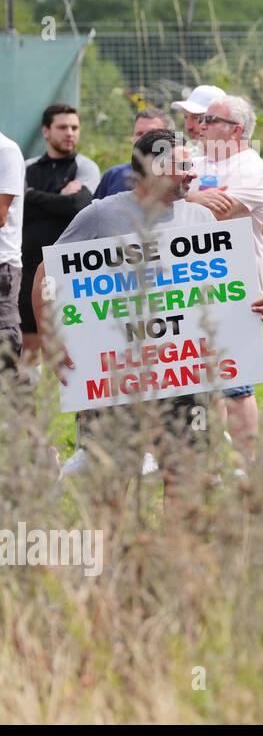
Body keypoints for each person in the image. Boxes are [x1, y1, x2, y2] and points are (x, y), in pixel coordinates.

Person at [30, 129, 217, 488]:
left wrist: (247, 310)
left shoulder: (201, 220)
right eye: (184, 166)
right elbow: (46, 273)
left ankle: (172, 546)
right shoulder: (101, 215)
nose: (193, 173)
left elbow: (220, 294)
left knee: (185, 473)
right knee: (112, 477)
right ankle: (113, 546)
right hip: (116, 374)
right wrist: (51, 339)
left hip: (183, 374)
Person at [189, 94, 263, 455]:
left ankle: (246, 464)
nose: (200, 125)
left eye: (210, 120)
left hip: (235, 293)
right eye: (202, 119)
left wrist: (186, 199)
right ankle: (209, 464)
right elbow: (156, 200)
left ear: (236, 130)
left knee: (236, 388)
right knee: (196, 383)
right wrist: (193, 199)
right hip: (188, 287)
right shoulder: (194, 159)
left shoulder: (252, 168)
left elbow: (216, 216)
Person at [20, 103, 96, 369]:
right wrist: (56, 200)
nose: (70, 133)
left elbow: (79, 206)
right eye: (63, 127)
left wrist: (31, 197)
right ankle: (26, 411)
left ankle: (84, 410)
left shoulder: (86, 167)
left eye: (74, 127)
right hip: (29, 269)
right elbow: (19, 208)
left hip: (72, 272)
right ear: (45, 131)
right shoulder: (27, 168)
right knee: (27, 352)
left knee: (78, 348)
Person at [95, 108, 175, 199]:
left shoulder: (180, 180)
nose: (143, 139)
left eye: (151, 133)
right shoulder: (113, 176)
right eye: (139, 133)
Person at [0, 127, 23, 368]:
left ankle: (17, 406)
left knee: (5, 351)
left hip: (2, 266)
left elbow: (0, 215)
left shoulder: (5, 150)